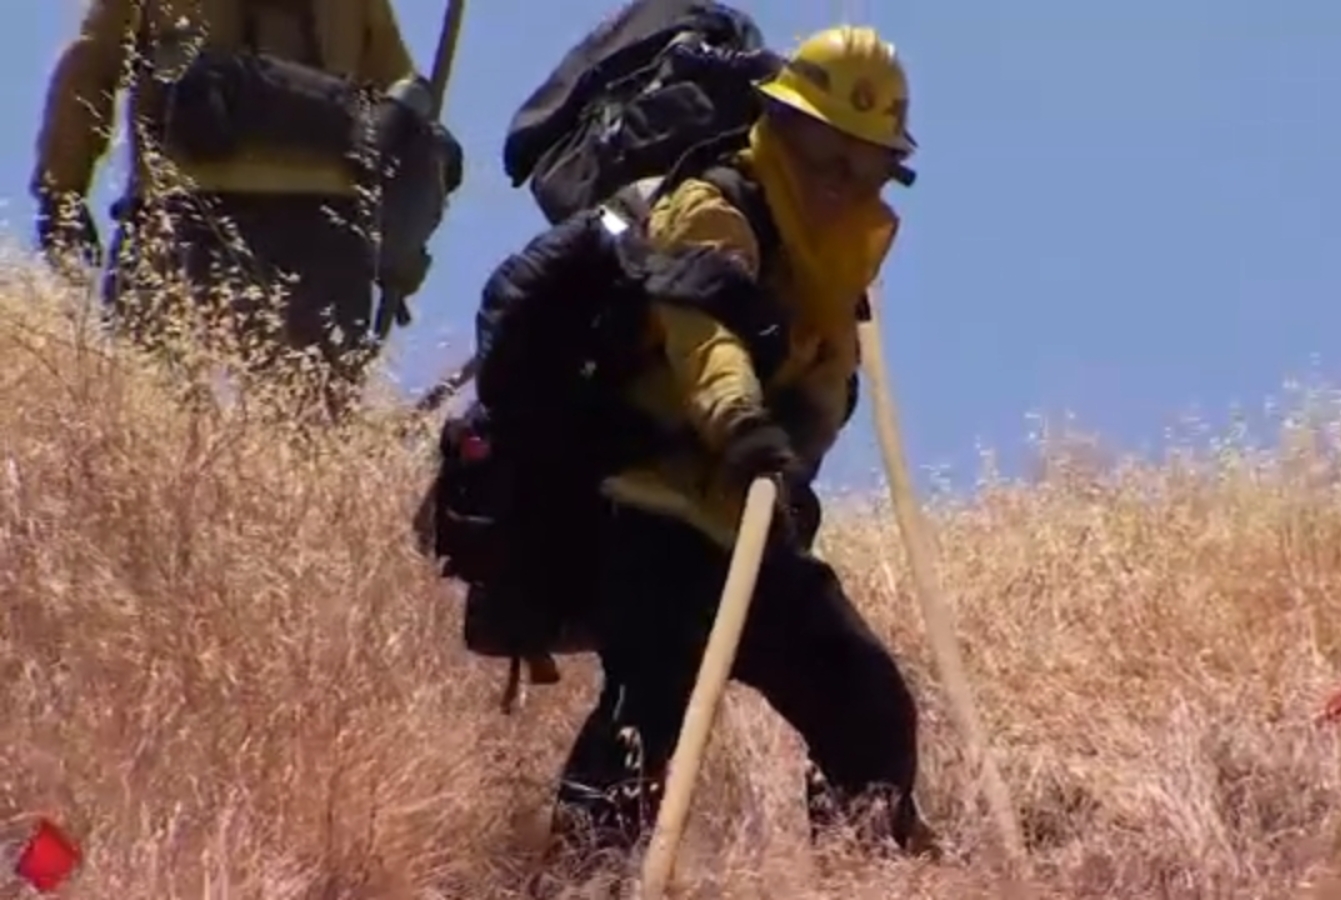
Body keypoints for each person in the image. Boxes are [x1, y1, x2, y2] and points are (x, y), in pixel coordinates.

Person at [539, 24, 937, 879]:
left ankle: (857, 877)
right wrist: (747, 429)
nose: (842, 186)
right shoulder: (716, 204)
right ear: (784, 130)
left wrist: (793, 468)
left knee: (868, 707)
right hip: (650, 514)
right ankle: (581, 883)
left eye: (864, 168)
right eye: (828, 158)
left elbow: (827, 386)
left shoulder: (835, 262)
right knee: (645, 720)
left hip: (744, 527)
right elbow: (705, 337)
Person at [31, 0, 454, 421]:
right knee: (308, 435)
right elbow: (400, 96)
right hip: (320, 232)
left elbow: (91, 67)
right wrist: (401, 238)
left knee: (147, 419)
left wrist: (61, 191)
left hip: (183, 214)